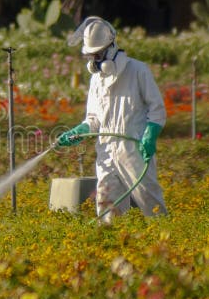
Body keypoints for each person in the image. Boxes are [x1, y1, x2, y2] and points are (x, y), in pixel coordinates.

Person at [57, 16, 167, 222]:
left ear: (112, 47)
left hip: (134, 150)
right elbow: (94, 119)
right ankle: (111, 249)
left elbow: (157, 109)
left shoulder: (138, 71)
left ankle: (167, 243)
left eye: (98, 54)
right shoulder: (96, 80)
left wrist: (150, 136)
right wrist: (79, 131)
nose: (95, 61)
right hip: (106, 152)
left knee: (150, 201)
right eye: (92, 56)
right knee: (107, 207)